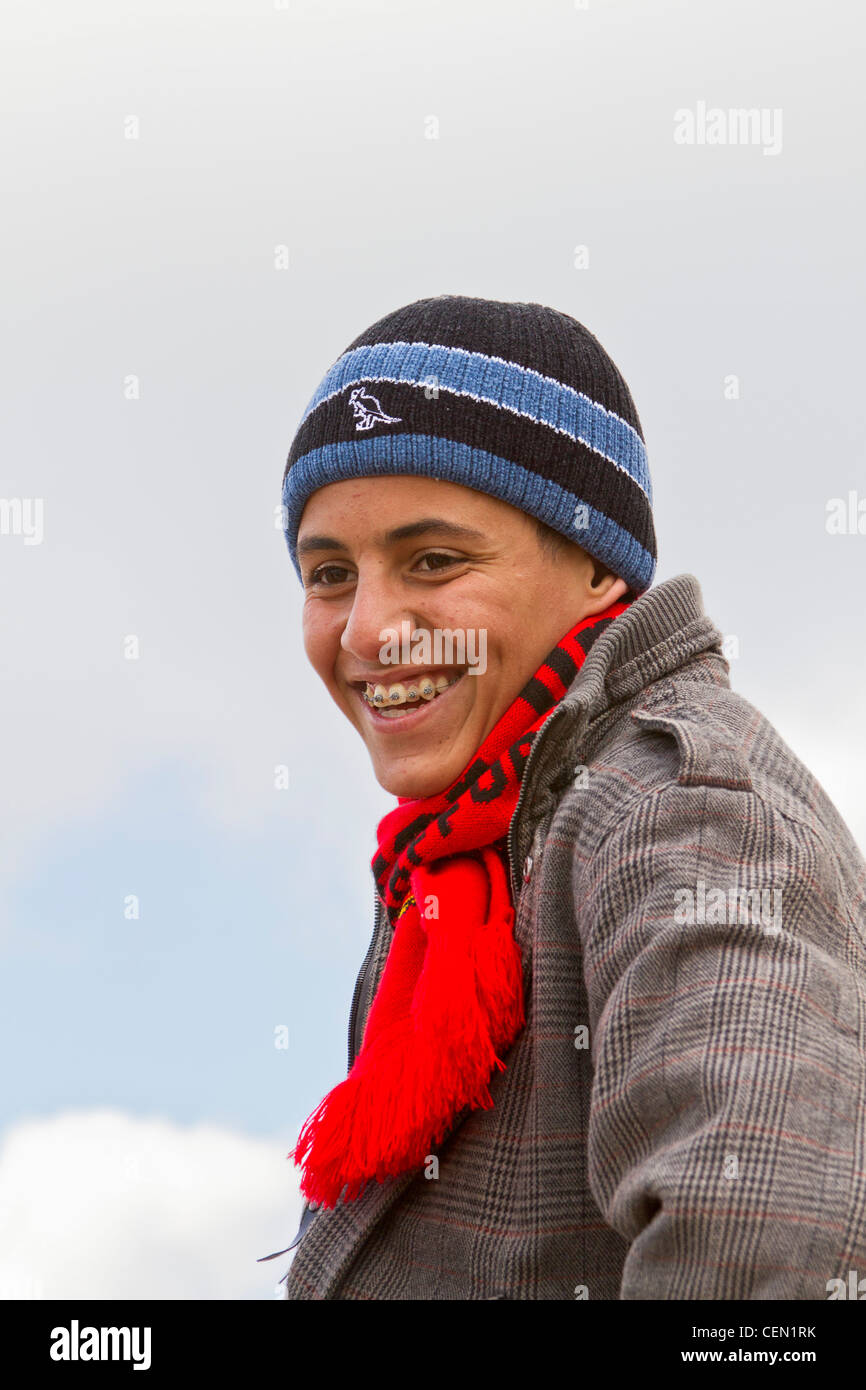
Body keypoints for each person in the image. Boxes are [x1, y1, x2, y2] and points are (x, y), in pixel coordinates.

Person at [265, 294, 866, 1300]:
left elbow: (766, 1253)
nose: (368, 629)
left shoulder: (681, 809)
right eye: (329, 573)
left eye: (433, 560)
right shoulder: (459, 860)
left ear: (594, 566)